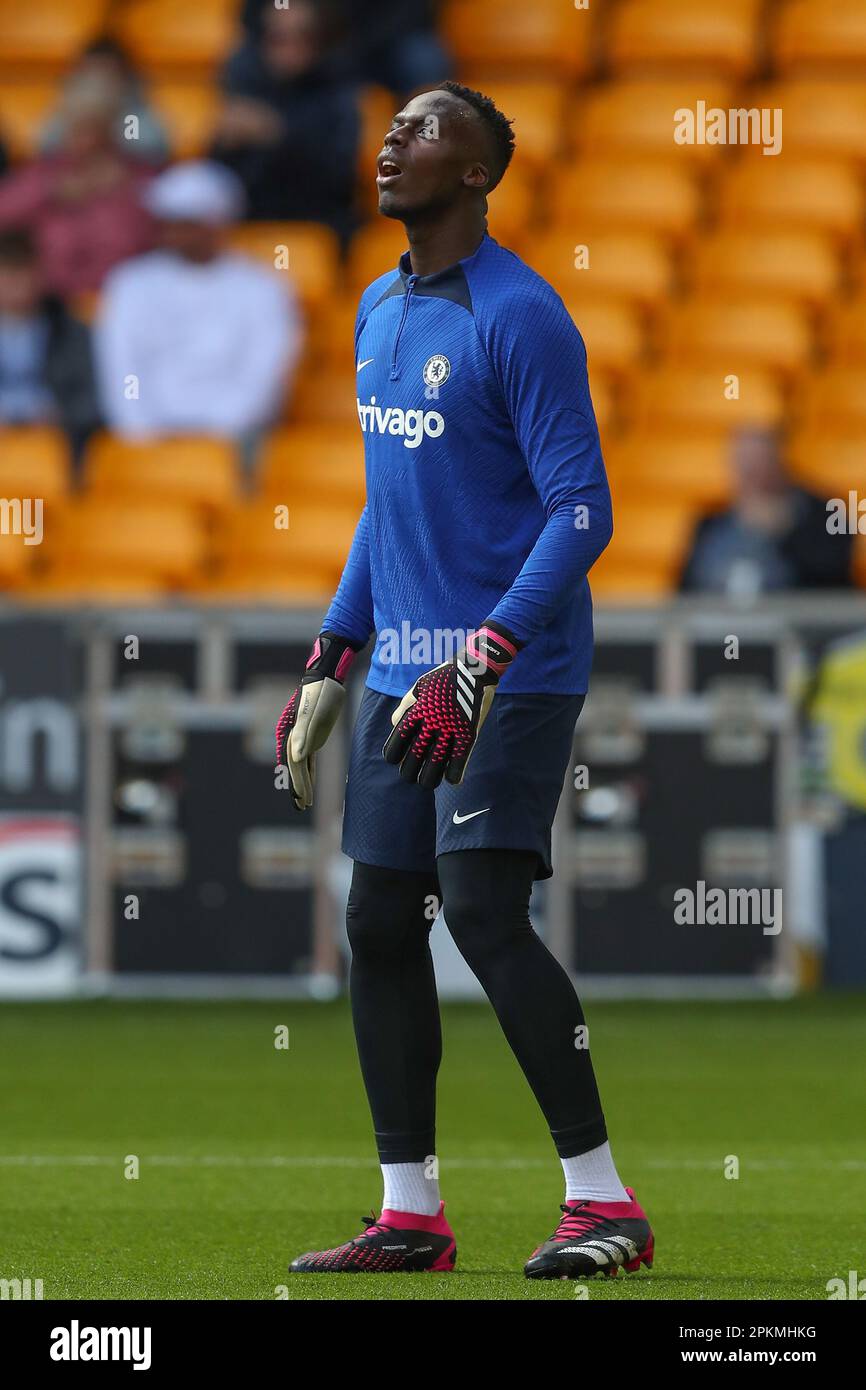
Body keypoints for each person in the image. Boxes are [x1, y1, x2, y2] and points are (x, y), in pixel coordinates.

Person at [275, 83, 655, 1280]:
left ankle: (603, 1203)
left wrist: (479, 659)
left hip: (508, 669)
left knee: (481, 910)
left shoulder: (521, 315)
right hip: (398, 670)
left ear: (481, 173)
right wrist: (335, 652)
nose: (393, 144)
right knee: (377, 920)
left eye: (426, 131)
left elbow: (580, 508)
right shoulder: (377, 309)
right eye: (392, 131)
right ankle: (410, 1214)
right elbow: (385, 505)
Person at [95, 161, 300, 444]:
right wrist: (143, 436)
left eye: (185, 223)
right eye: (167, 222)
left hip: (236, 441)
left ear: (216, 224)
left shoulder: (263, 288)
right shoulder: (131, 283)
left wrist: (214, 441)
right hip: (147, 442)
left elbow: (264, 377)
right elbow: (122, 370)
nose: (172, 232)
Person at [210, 0, 358, 239]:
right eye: (278, 38)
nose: (289, 50)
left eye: (302, 38)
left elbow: (338, 176)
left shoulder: (338, 92)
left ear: (320, 42)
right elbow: (220, 177)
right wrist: (225, 144)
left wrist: (277, 132)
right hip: (247, 225)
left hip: (318, 226)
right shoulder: (245, 83)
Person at [0, 81, 155, 297]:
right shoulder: (44, 171)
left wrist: (124, 188)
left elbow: (148, 235)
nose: (86, 140)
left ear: (111, 131)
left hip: (122, 297)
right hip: (49, 299)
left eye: (94, 129)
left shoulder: (137, 176)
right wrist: (51, 191)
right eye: (78, 128)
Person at [680, 427, 854, 594]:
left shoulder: (825, 514)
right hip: (716, 619)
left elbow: (831, 578)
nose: (751, 474)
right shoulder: (710, 523)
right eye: (744, 465)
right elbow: (684, 591)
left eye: (759, 464)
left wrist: (785, 531)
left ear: (779, 462)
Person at [0, 226, 101, 462]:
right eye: (6, 273)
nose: (14, 283)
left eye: (21, 272)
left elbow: (98, 396)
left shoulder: (73, 330)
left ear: (39, 274)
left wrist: (61, 415)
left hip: (59, 449)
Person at [38, 35, 170, 167]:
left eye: (108, 72)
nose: (101, 79)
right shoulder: (69, 104)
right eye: (94, 71)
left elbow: (146, 148)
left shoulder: (133, 111)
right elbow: (47, 146)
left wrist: (110, 120)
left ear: (122, 74)